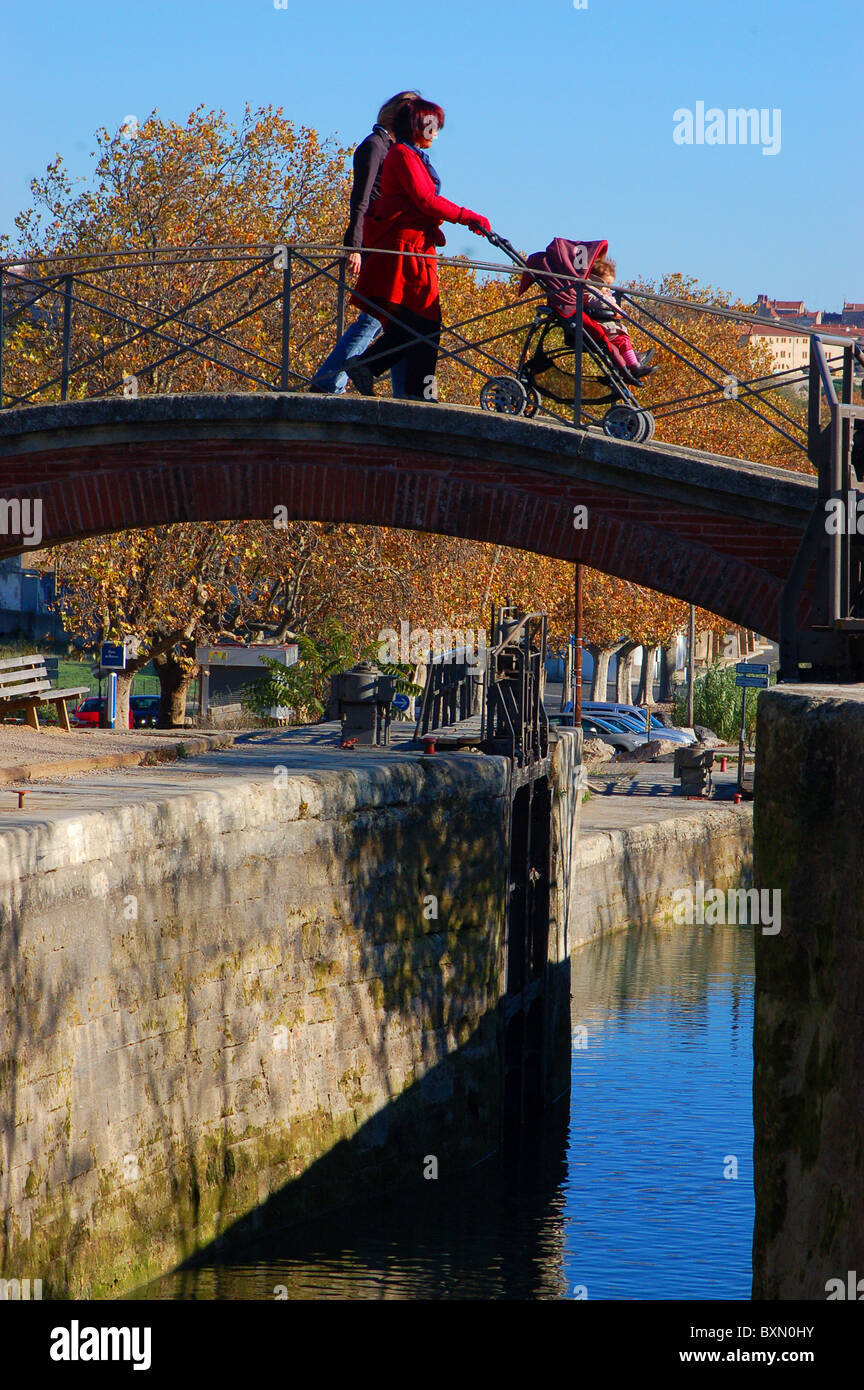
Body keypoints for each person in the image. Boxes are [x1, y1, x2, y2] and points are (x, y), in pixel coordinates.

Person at [345, 97, 491, 401]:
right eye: (432, 126)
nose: (436, 133)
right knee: (421, 321)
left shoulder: (410, 155)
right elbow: (425, 199)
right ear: (418, 125)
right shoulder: (402, 155)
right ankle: (413, 393)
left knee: (416, 322)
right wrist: (468, 216)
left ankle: (376, 371)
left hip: (416, 249)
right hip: (405, 251)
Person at [309, 91, 418, 395]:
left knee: (398, 319)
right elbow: (360, 200)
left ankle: (404, 393)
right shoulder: (374, 147)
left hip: (391, 244)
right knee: (377, 315)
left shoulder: (393, 150)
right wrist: (354, 247)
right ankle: (330, 379)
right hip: (376, 244)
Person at [584, 255, 655, 378]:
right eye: (606, 285)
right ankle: (634, 366)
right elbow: (598, 302)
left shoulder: (600, 292)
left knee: (622, 339)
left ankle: (632, 357)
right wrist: (614, 307)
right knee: (622, 340)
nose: (608, 289)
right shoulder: (588, 290)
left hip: (605, 324)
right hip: (600, 325)